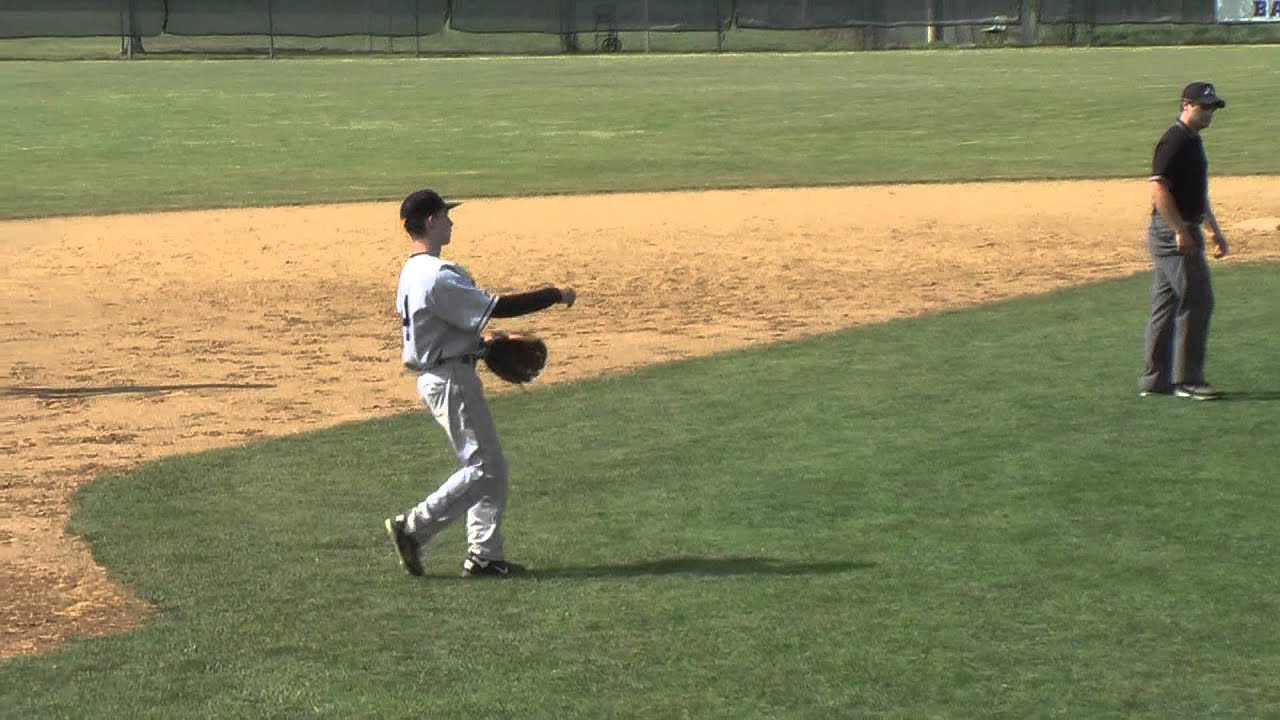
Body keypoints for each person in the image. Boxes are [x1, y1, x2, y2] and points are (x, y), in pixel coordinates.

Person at [384, 189, 576, 577]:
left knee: (492, 467)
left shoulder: (413, 271)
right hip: (450, 377)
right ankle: (414, 528)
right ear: (431, 222)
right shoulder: (437, 275)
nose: (451, 221)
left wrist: (481, 345)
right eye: (446, 215)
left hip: (444, 371)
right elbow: (499, 306)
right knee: (484, 467)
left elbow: (440, 324)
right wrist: (554, 294)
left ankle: (485, 555)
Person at [1139, 82, 1230, 401]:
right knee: (1198, 299)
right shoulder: (1175, 140)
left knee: (1165, 304)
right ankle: (1188, 379)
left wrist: (1213, 229)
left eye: (1213, 107)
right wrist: (1180, 229)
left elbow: (1196, 193)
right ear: (1186, 105)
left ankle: (1155, 379)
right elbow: (1158, 188)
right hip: (1172, 232)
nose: (1209, 113)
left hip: (1180, 227)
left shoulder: (1192, 140)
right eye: (1204, 107)